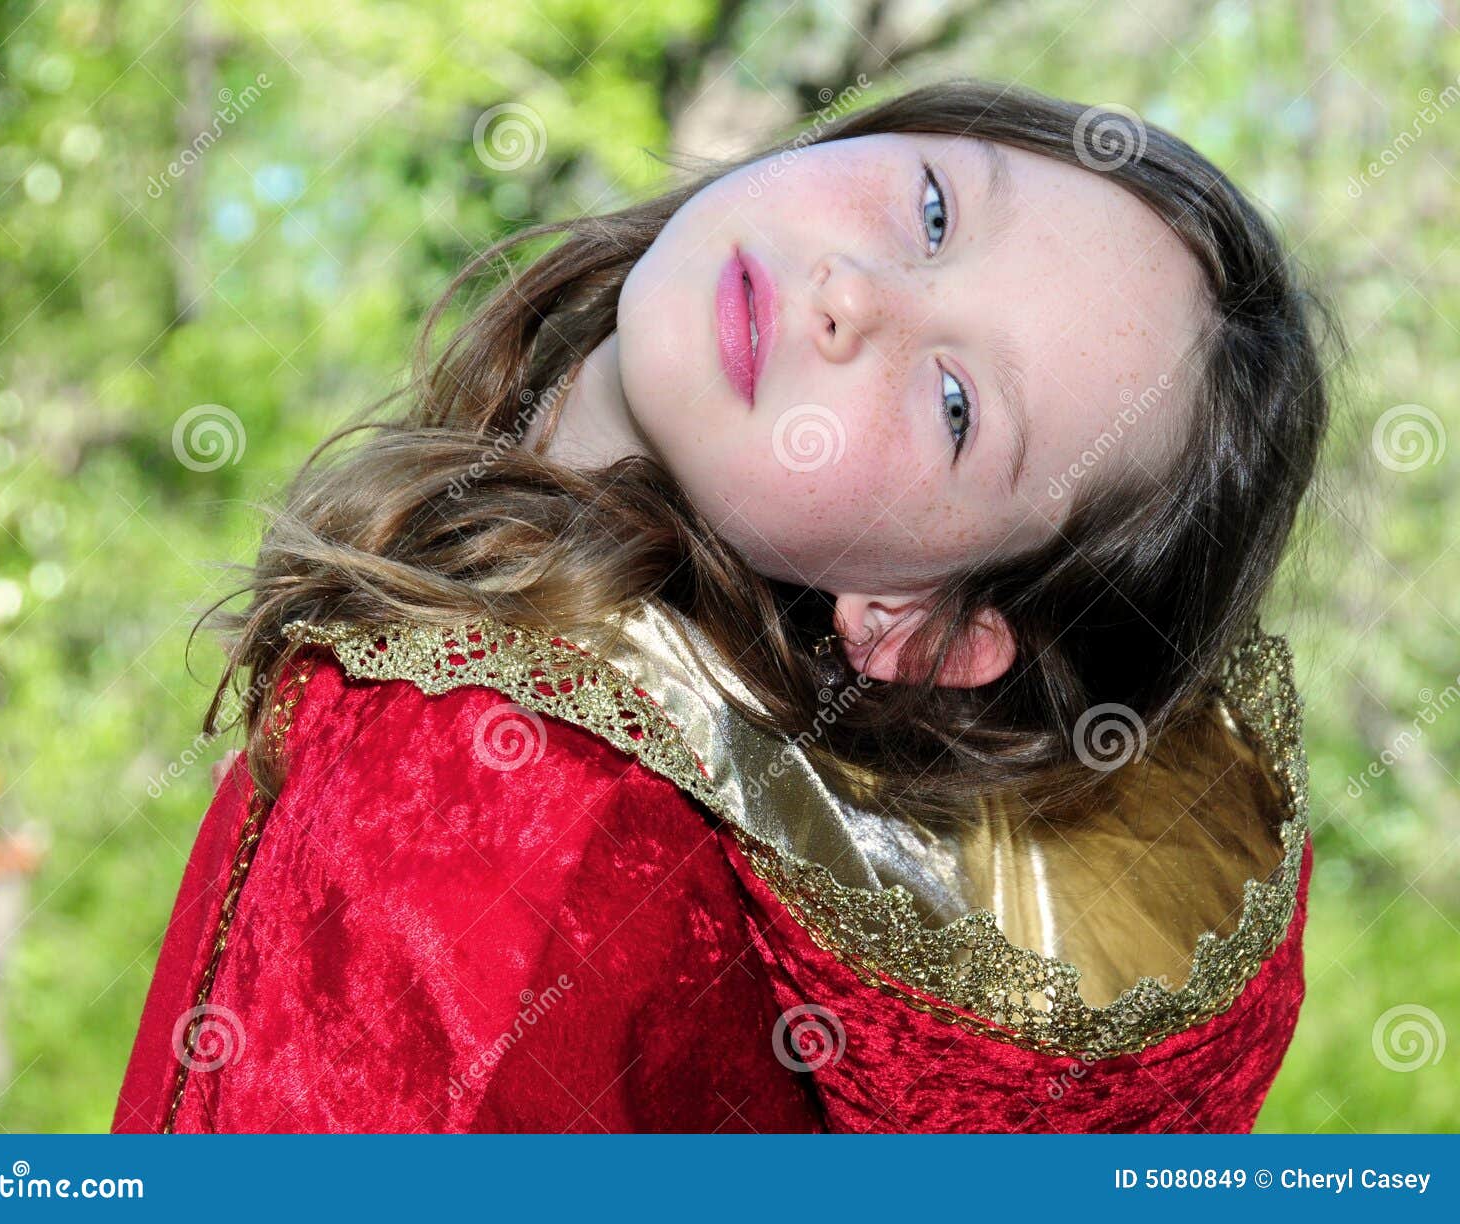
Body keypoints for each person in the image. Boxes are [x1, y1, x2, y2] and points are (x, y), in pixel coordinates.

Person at [112, 77, 1337, 1133]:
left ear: (916, 626)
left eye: (957, 404)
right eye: (931, 211)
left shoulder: (507, 803)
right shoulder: (568, 701)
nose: (854, 296)